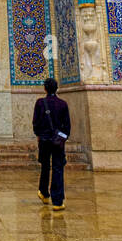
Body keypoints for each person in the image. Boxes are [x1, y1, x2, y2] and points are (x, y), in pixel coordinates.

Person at [32, 78, 71, 211]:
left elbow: (35, 123)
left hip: (44, 140)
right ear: (57, 88)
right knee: (58, 168)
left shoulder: (40, 103)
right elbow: (67, 127)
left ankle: (43, 192)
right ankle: (58, 201)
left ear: (45, 89)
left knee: (45, 166)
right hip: (57, 142)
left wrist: (39, 135)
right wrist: (62, 139)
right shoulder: (63, 104)